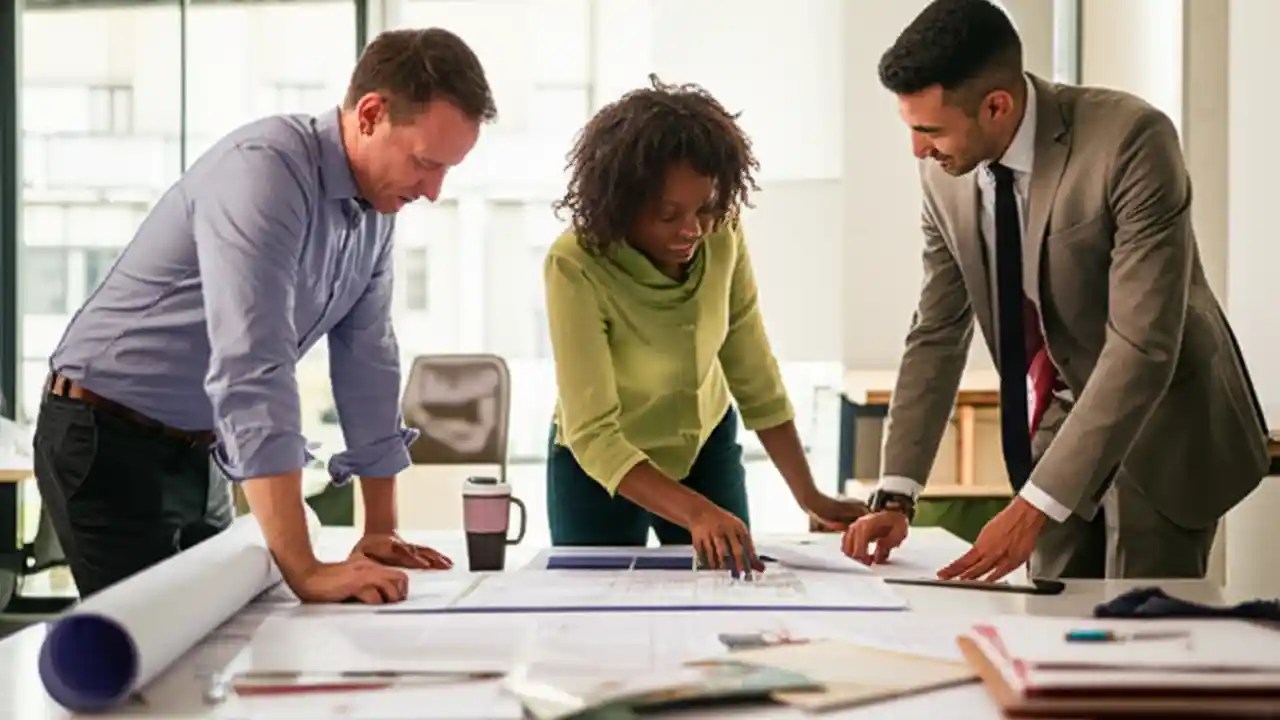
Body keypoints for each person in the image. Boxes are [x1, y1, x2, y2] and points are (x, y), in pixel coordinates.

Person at [32, 28, 497, 602]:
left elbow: (369, 361)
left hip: (202, 448)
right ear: (371, 115)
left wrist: (379, 529)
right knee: (148, 645)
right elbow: (253, 366)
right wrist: (306, 569)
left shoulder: (376, 210)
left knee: (222, 632)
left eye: (447, 170)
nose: (433, 191)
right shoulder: (267, 171)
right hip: (106, 436)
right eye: (425, 164)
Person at [843, 0, 1268, 581]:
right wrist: (896, 495)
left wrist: (1034, 506)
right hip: (1059, 412)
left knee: (1138, 622)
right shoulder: (944, 173)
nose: (918, 150)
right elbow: (937, 330)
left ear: (997, 105)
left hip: (1162, 420)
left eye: (930, 130)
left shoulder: (1131, 140)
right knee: (1046, 608)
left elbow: (1142, 346)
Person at [543, 76, 868, 574]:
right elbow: (592, 433)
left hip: (704, 446)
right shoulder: (574, 263)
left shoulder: (722, 233)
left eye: (705, 208)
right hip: (601, 465)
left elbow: (753, 371)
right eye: (667, 214)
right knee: (597, 606)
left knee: (728, 595)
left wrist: (810, 496)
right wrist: (696, 512)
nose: (692, 229)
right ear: (621, 204)